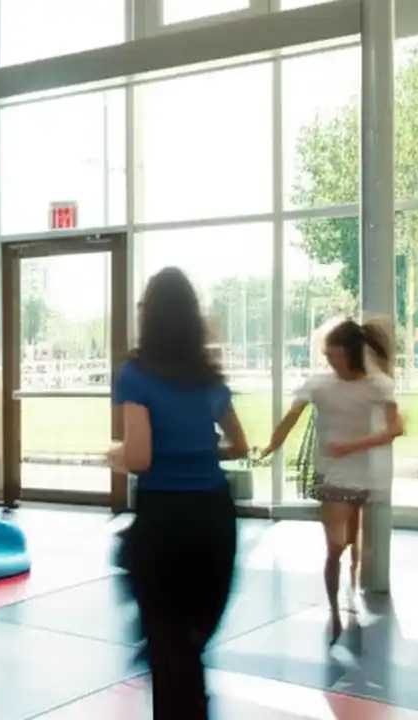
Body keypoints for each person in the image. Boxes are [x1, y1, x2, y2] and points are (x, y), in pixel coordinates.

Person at [108, 267, 249, 720]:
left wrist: (116, 454)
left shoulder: (136, 376)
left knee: (169, 647)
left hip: (164, 520)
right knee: (190, 642)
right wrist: (200, 448)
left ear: (147, 317)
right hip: (213, 519)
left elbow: (141, 457)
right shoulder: (209, 380)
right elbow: (240, 445)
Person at [260, 318, 402, 640]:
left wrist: (353, 445)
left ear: (352, 354)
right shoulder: (319, 384)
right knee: (335, 546)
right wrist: (272, 445)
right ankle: (334, 608)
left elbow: (396, 429)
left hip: (363, 475)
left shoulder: (377, 385)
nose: (330, 363)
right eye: (328, 357)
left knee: (352, 540)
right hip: (333, 476)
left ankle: (351, 587)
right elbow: (291, 418)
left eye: (335, 356)